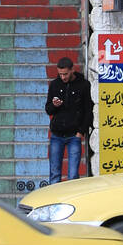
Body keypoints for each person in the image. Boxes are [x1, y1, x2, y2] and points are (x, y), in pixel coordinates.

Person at [45, 55, 93, 185]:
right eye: (60, 74)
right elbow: (48, 109)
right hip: (57, 135)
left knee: (73, 177)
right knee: (54, 175)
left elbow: (88, 110)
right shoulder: (55, 84)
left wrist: (81, 132)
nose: (63, 77)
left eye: (65, 74)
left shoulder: (83, 85)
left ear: (72, 70)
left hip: (74, 136)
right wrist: (54, 105)